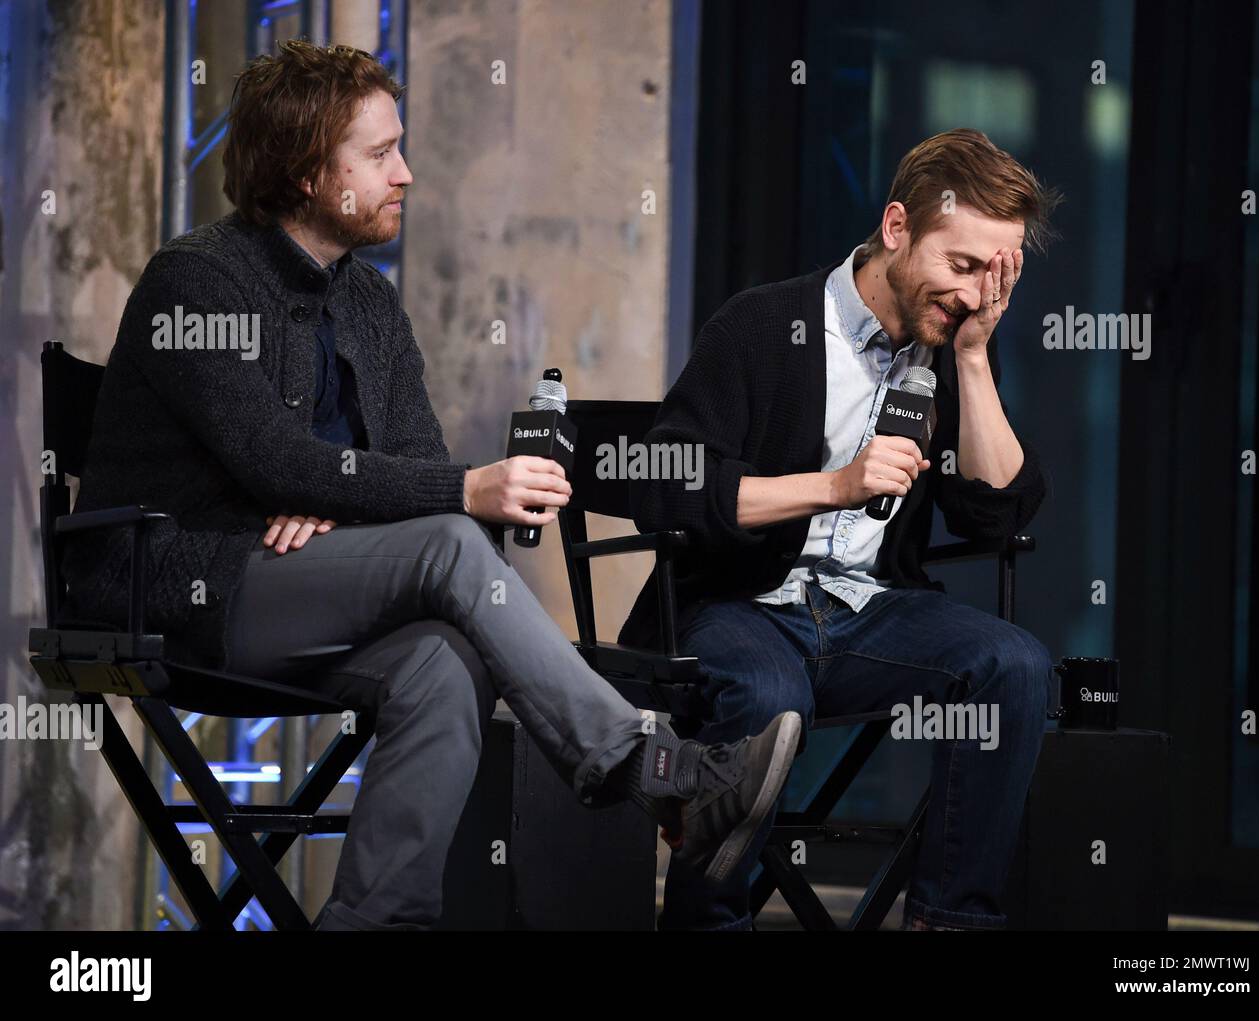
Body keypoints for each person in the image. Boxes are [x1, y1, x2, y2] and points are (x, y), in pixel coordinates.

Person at [59, 40, 800, 931]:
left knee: (443, 664)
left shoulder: (371, 304)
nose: (406, 172)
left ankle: (376, 924)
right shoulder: (198, 280)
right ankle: (661, 774)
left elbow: (399, 470)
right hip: (181, 591)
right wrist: (394, 493)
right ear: (305, 173)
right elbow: (278, 463)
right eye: (378, 155)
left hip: (295, 597)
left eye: (399, 147)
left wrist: (349, 500)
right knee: (450, 535)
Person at [620, 129, 1060, 931]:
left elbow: (996, 511)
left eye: (993, 277)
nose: (971, 293)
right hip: (738, 604)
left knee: (1016, 665)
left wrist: (972, 357)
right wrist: (836, 486)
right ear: (897, 228)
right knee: (768, 692)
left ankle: (951, 922)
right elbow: (664, 483)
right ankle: (707, 922)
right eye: (962, 266)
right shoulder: (765, 325)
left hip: (869, 614)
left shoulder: (947, 341)